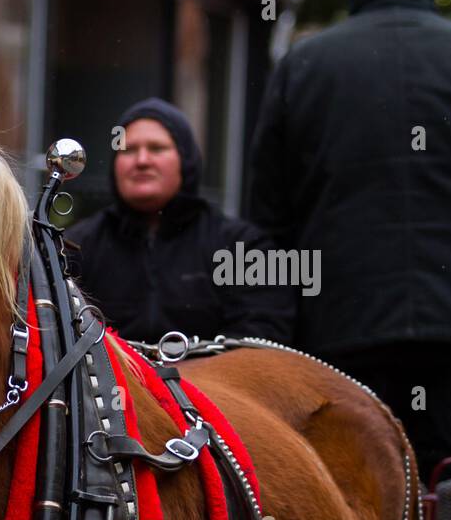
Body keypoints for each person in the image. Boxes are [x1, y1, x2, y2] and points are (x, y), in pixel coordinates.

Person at [249, 0, 451, 477]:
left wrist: (273, 325)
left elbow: (269, 216)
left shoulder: (305, 64)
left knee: (357, 483)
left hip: (343, 319)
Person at [65, 97, 295, 345]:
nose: (142, 160)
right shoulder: (76, 248)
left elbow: (264, 335)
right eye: (128, 150)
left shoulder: (243, 247)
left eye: (156, 148)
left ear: (186, 160)